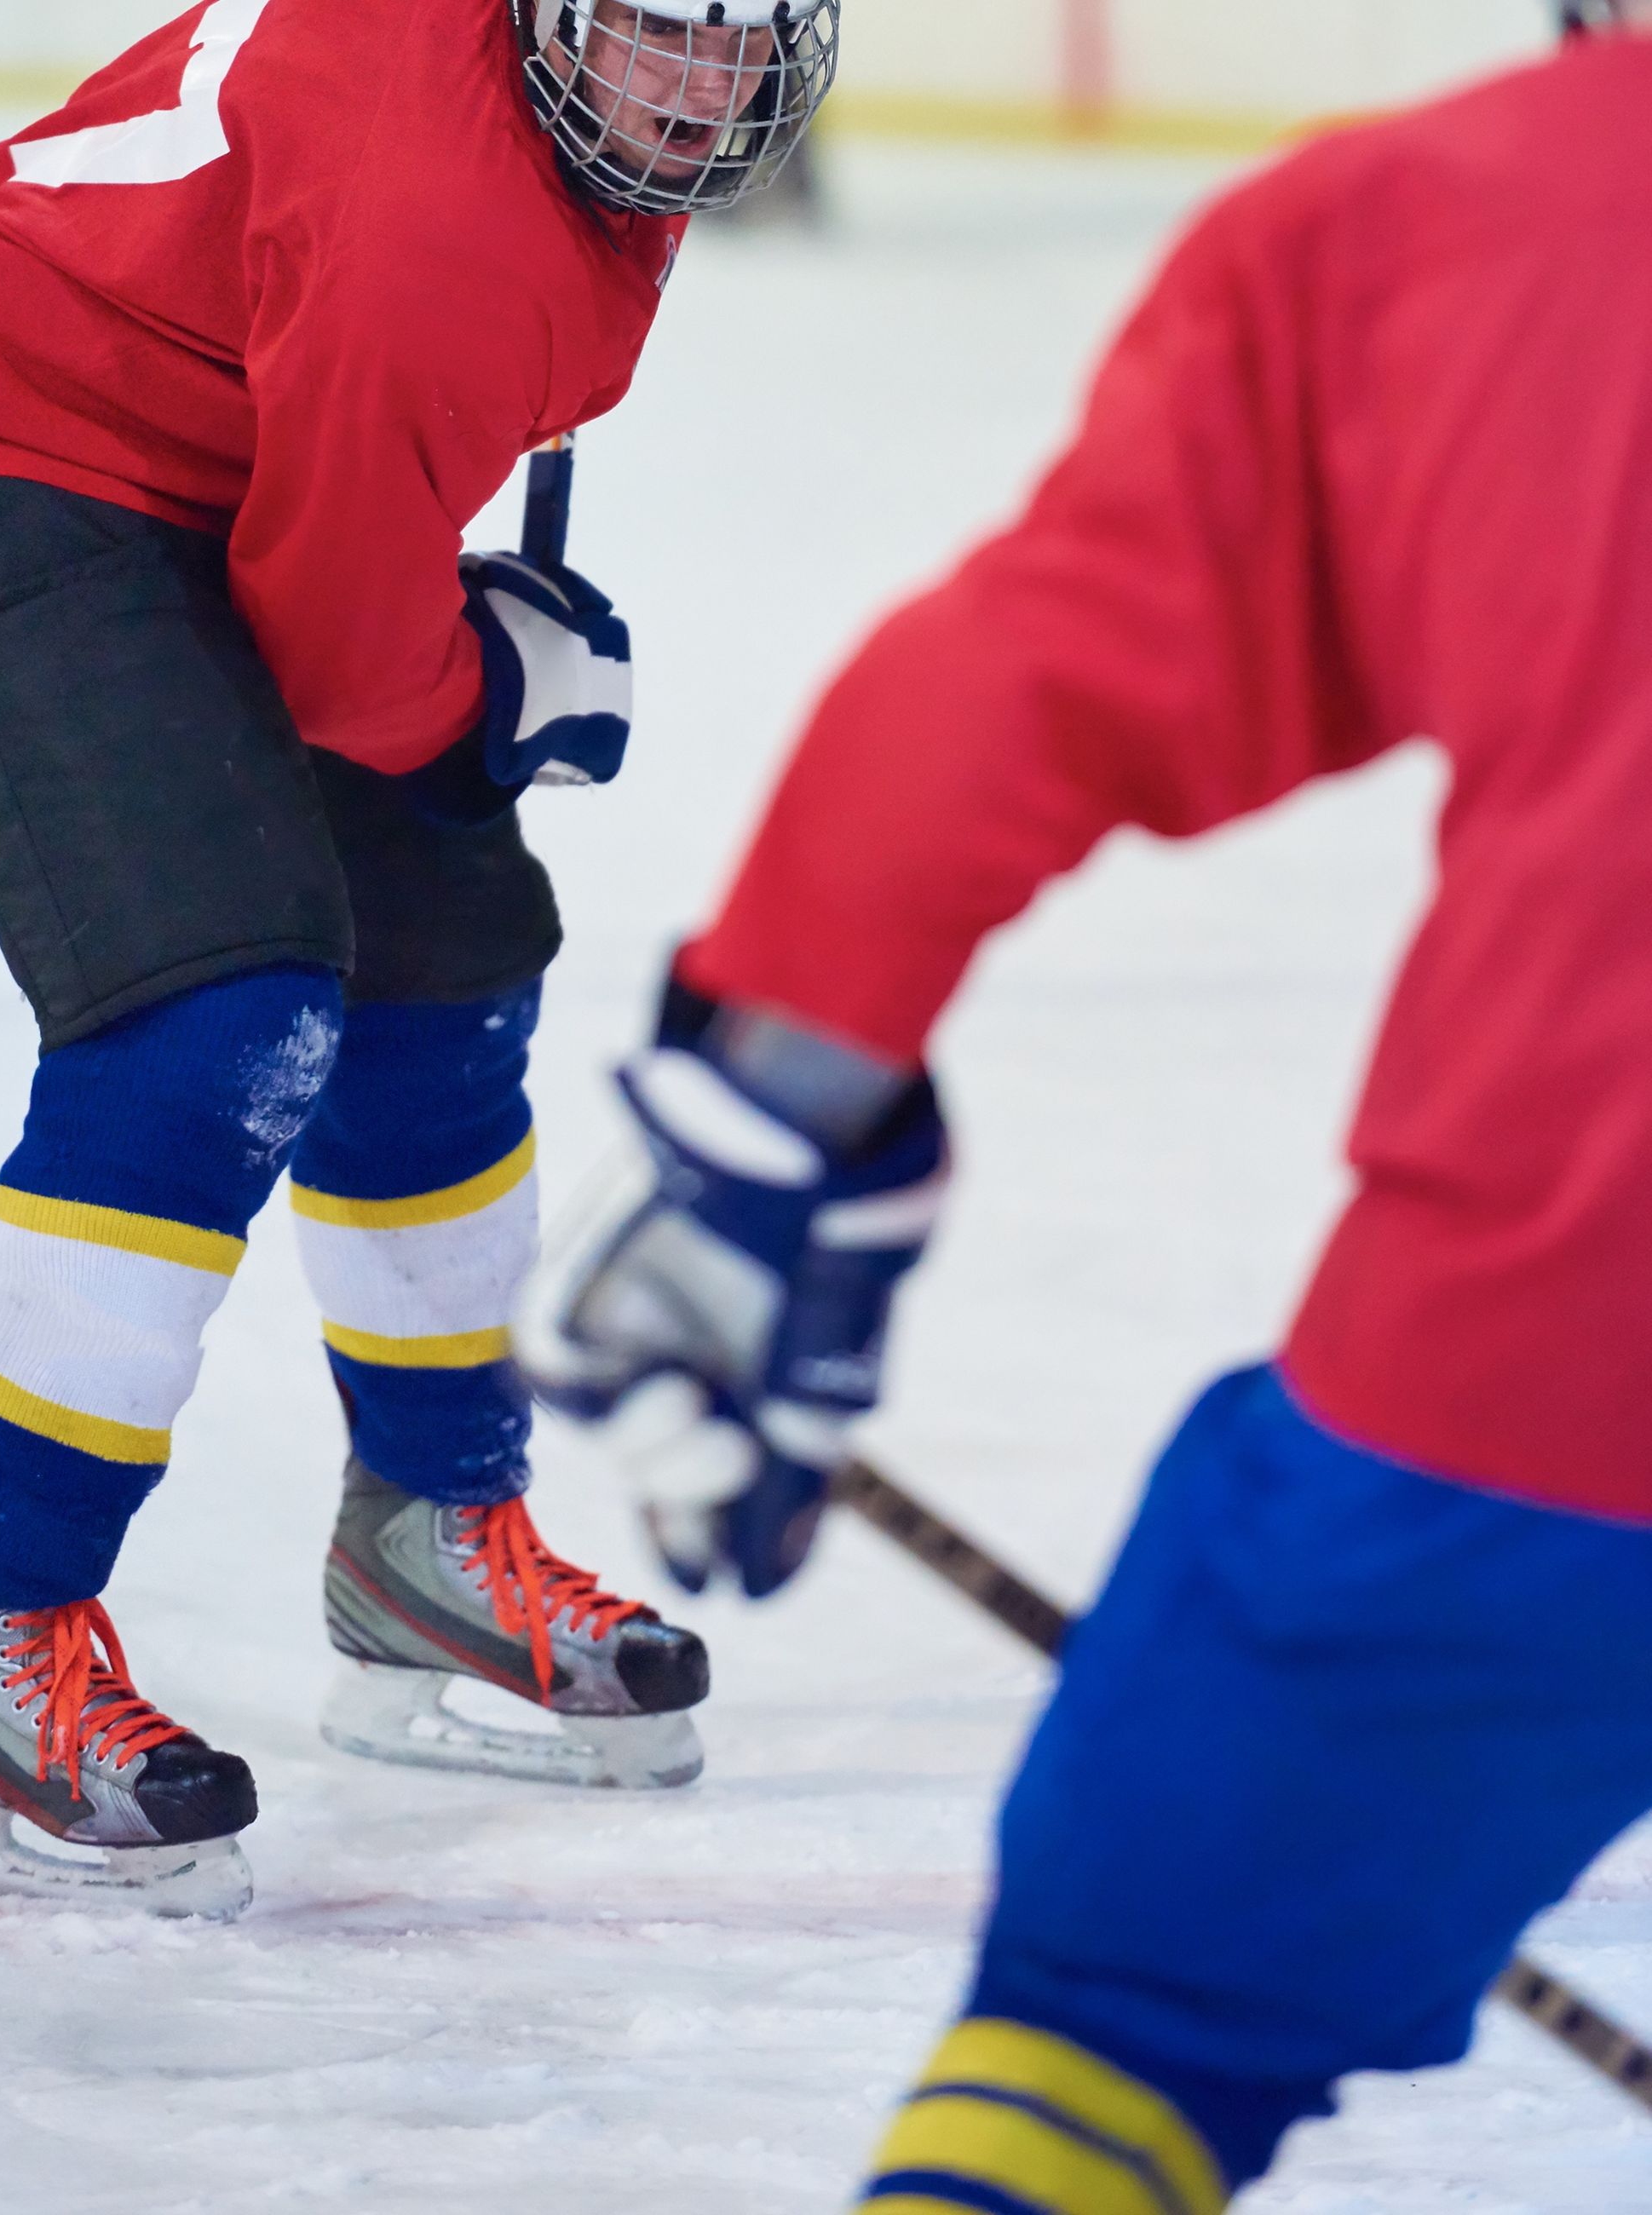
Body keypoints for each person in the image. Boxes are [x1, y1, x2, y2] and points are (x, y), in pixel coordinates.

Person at [517, 6, 1652, 2204]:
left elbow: (1025, 688)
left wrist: (764, 1138)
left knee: (1121, 2028)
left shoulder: (1459, 219)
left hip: (1554, 1359)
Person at [0, 0, 840, 1916]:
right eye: (648, 38)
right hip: (0, 444)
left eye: (736, 42)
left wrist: (445, 696)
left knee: (441, 969)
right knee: (216, 1018)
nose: (695, 93)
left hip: (215, 444)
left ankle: (431, 1537)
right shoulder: (440, 211)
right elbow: (350, 656)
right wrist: (479, 702)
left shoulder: (526, 130)